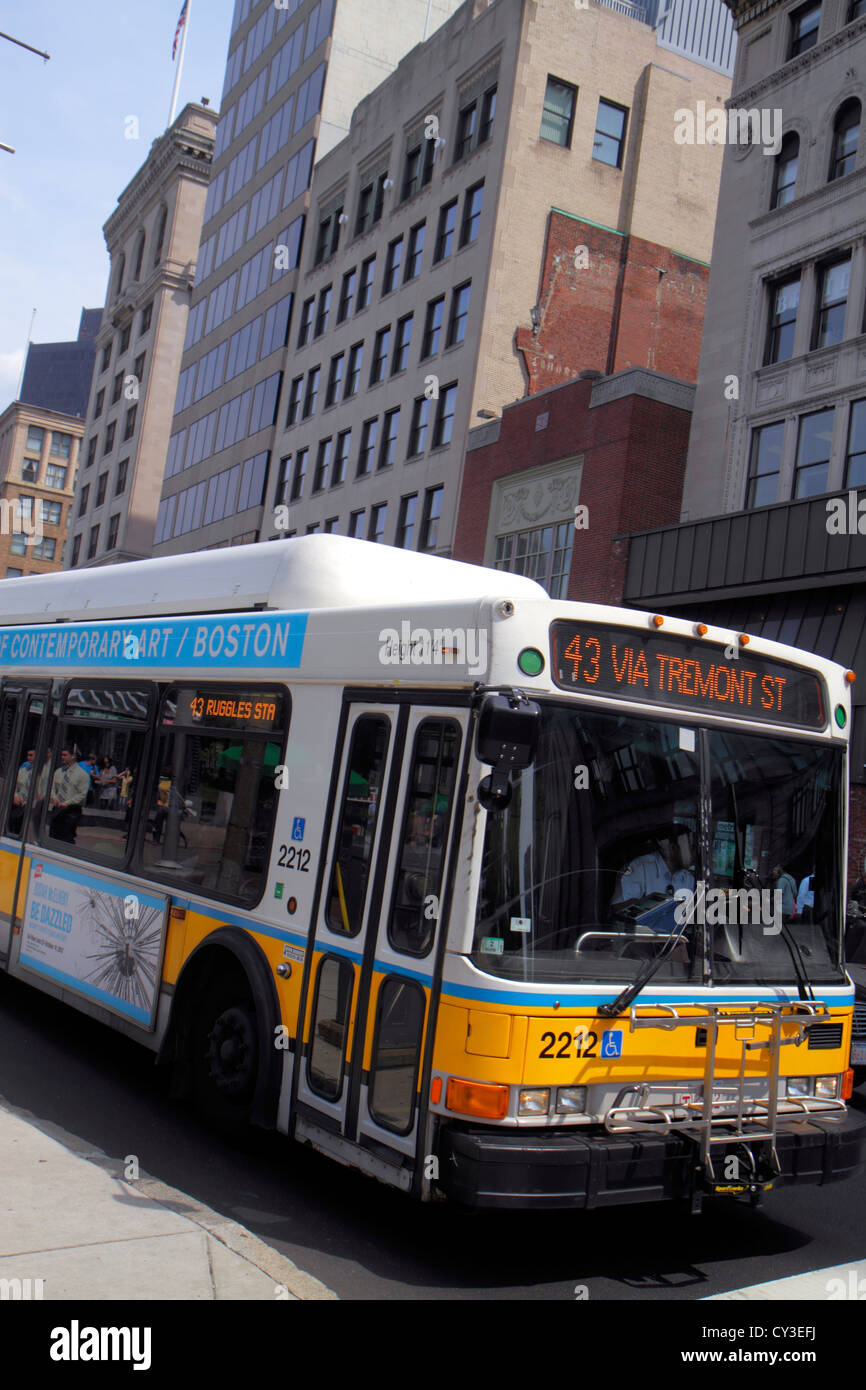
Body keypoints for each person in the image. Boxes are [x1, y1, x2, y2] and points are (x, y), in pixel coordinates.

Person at [49, 747, 91, 843]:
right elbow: (51, 787)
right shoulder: (58, 772)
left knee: (66, 838)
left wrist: (67, 803)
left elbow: (83, 794)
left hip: (71, 811)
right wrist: (54, 797)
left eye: (64, 755)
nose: (62, 757)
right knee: (53, 837)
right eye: (61, 755)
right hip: (57, 808)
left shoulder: (83, 775)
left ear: (73, 756)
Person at [9, 749, 35, 834]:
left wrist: (29, 801)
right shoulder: (23, 769)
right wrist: (15, 796)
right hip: (17, 802)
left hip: (28, 805)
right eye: (28, 755)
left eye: (31, 755)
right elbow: (15, 784)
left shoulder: (41, 773)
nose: (29, 757)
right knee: (11, 826)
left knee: (20, 828)